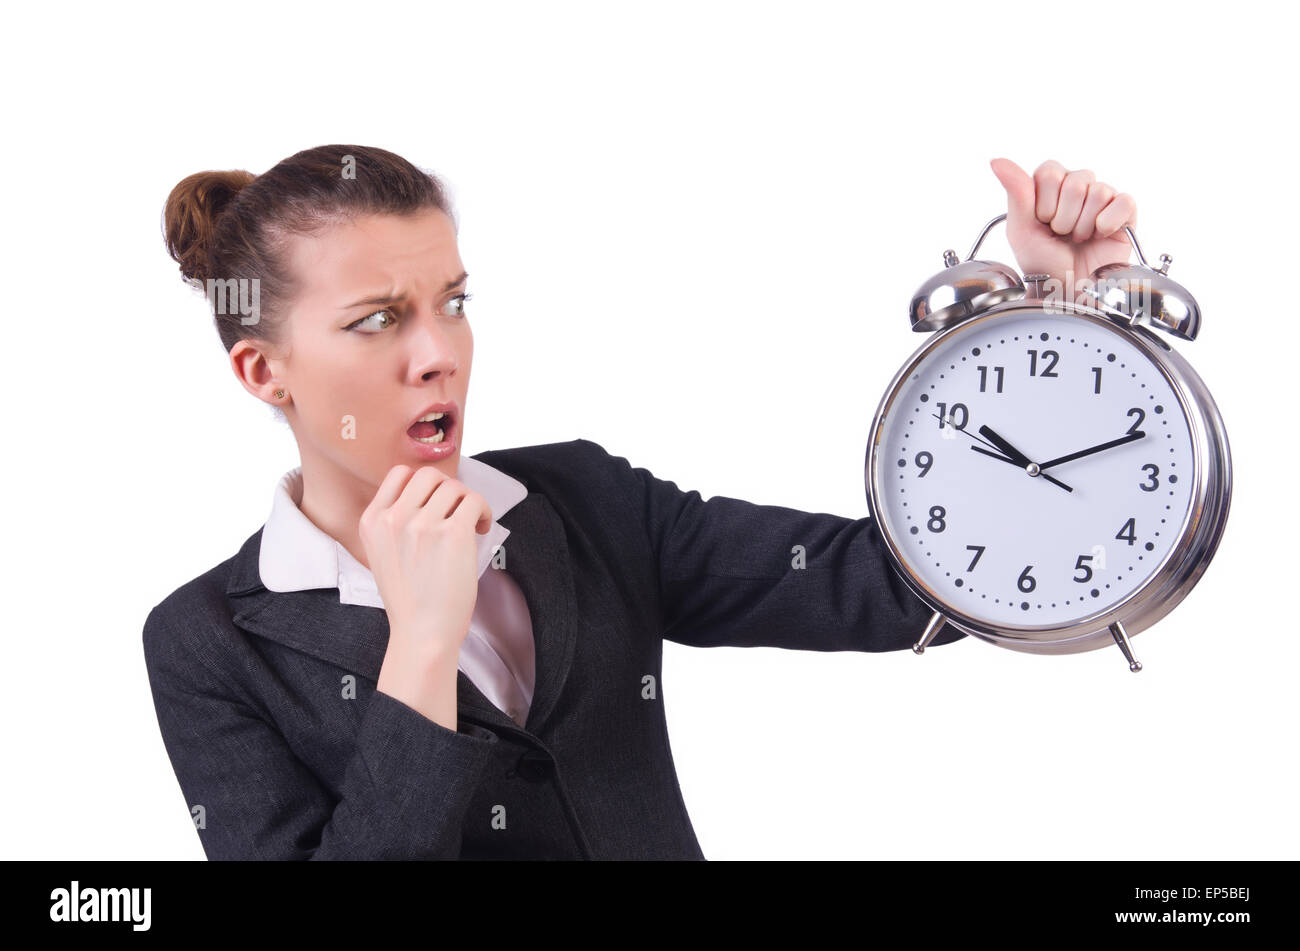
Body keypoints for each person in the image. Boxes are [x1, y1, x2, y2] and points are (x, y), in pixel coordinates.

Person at [143, 144, 1138, 860]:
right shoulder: (207, 641)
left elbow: (896, 584)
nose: (438, 354)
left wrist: (1057, 327)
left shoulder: (581, 503)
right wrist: (419, 651)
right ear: (264, 370)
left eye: (453, 302)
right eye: (375, 321)